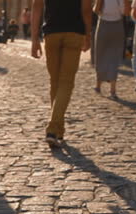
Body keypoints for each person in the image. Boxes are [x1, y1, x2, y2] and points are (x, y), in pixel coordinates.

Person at [31, 0, 91, 148]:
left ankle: (58, 129)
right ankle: (53, 128)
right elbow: (87, 9)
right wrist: (88, 35)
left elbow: (37, 6)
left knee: (55, 82)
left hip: (52, 32)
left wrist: (34, 38)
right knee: (66, 82)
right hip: (74, 32)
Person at [93, 0, 130, 98]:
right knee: (114, 57)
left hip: (103, 24)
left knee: (100, 55)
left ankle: (98, 85)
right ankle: (113, 89)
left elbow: (96, 10)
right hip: (117, 25)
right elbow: (126, 12)